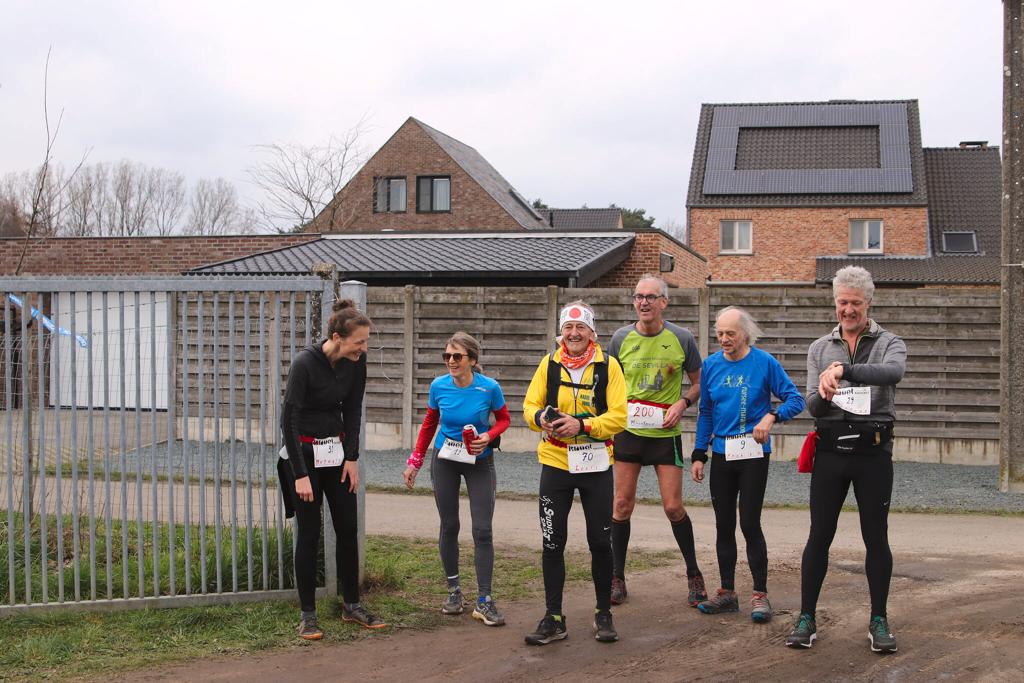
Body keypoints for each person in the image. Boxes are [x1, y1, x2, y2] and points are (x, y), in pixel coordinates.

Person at [786, 266, 905, 653]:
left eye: (855, 302)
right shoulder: (819, 348)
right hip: (831, 452)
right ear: (834, 303)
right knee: (819, 535)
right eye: (842, 302)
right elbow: (812, 407)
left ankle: (879, 619)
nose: (848, 310)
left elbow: (893, 373)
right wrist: (824, 390)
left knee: (876, 537)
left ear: (868, 303)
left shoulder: (890, 341)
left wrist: (844, 370)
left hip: (873, 453)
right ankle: (806, 617)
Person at [279, 299, 386, 640]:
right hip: (304, 456)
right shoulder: (304, 364)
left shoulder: (357, 363)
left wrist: (351, 458)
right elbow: (289, 419)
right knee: (309, 534)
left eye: (366, 342)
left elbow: (353, 409)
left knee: (348, 527)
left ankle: (351, 605)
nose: (364, 348)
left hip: (336, 454)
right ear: (338, 337)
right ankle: (307, 615)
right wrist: (299, 473)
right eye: (360, 342)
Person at [522, 301, 627, 645]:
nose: (574, 334)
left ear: (592, 333)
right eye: (568, 327)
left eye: (581, 328)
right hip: (555, 463)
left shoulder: (608, 366)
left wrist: (581, 424)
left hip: (596, 463)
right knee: (552, 542)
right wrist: (542, 420)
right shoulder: (548, 364)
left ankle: (603, 613)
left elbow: (620, 417)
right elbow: (529, 406)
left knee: (600, 542)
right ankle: (554, 617)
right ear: (561, 333)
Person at [691, 306, 804, 623]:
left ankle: (760, 595)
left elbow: (796, 399)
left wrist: (772, 416)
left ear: (745, 334)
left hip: (754, 454)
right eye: (720, 333)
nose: (724, 339)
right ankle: (727, 593)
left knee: (750, 523)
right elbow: (706, 414)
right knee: (723, 524)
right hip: (724, 455)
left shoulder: (765, 363)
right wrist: (700, 453)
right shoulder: (711, 366)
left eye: (730, 333)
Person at [607, 275, 706, 607]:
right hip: (628, 433)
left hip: (665, 435)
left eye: (651, 297)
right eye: (638, 297)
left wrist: (682, 403)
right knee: (621, 505)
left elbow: (698, 382)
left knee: (673, 507)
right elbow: (607, 384)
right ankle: (616, 576)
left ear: (665, 302)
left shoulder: (681, 338)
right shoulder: (620, 338)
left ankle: (694, 574)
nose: (644, 302)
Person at [403, 331, 511, 626]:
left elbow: (504, 419)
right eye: (446, 356)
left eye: (457, 356)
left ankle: (484, 600)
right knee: (449, 525)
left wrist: (487, 436)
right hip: (446, 460)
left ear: (472, 360)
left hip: (479, 460)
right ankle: (454, 592)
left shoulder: (489, 388)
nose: (450, 361)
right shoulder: (438, 386)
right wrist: (415, 460)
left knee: (482, 530)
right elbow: (429, 424)